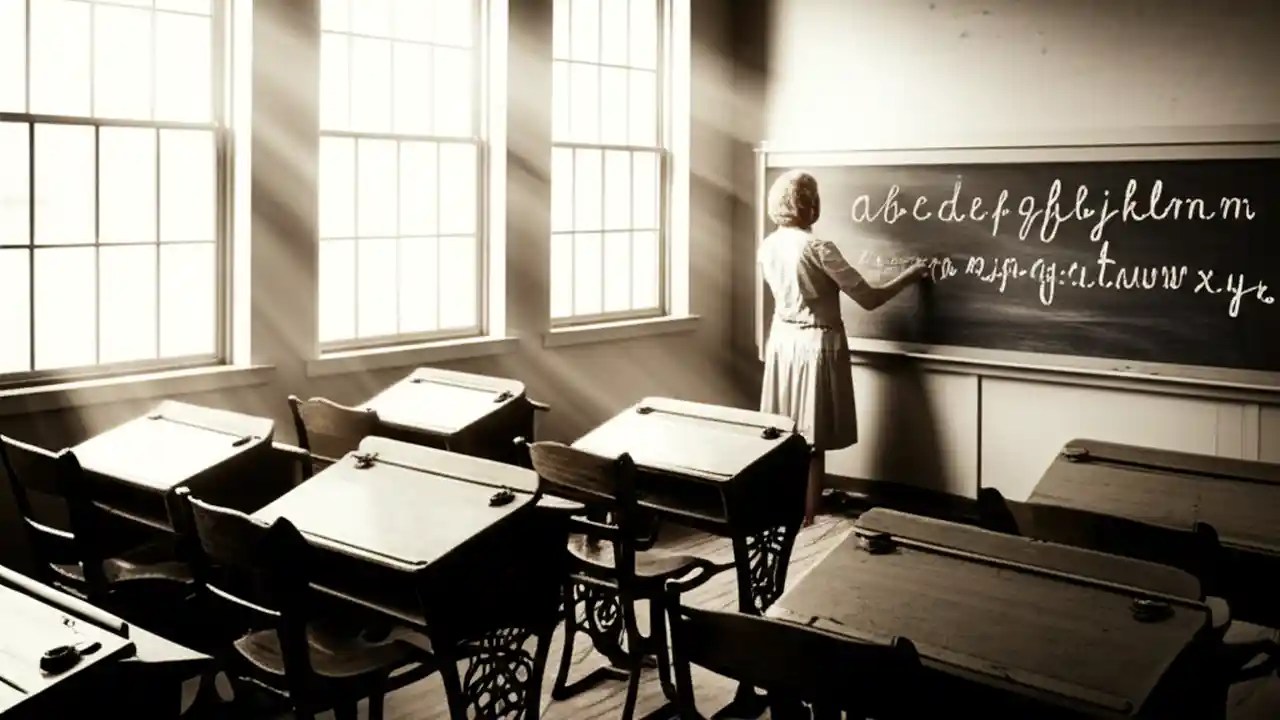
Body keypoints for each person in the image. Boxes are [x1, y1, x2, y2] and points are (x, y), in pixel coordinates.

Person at [758, 170, 929, 525]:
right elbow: (868, 298)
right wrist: (910, 275)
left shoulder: (769, 245)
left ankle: (783, 511)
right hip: (816, 342)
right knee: (812, 440)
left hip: (783, 342)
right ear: (809, 205)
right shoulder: (818, 248)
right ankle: (808, 519)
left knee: (784, 435)